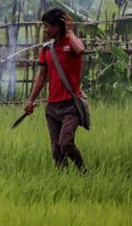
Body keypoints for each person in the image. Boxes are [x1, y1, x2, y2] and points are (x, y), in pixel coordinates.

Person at [25, 9, 87, 172]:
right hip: (52, 108)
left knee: (65, 143)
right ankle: (63, 179)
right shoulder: (47, 49)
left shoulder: (71, 44)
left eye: (47, 26)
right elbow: (41, 76)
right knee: (56, 150)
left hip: (70, 106)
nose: (44, 30)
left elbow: (81, 50)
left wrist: (70, 31)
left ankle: (83, 171)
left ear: (57, 27)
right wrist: (31, 100)